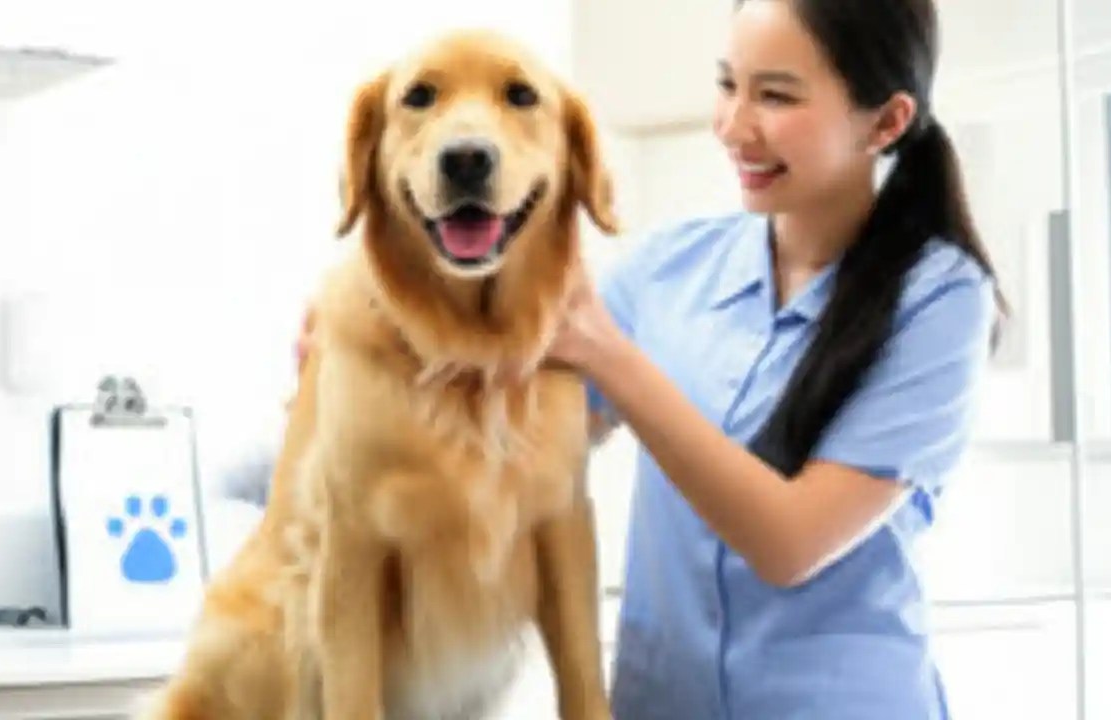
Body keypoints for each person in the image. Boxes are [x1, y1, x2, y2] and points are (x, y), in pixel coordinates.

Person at [296, 0, 1003, 717]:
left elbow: (790, 542)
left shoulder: (940, 298)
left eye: (776, 96)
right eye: (730, 85)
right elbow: (514, 420)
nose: (733, 126)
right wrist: (363, 344)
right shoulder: (671, 266)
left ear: (885, 121)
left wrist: (610, 357)